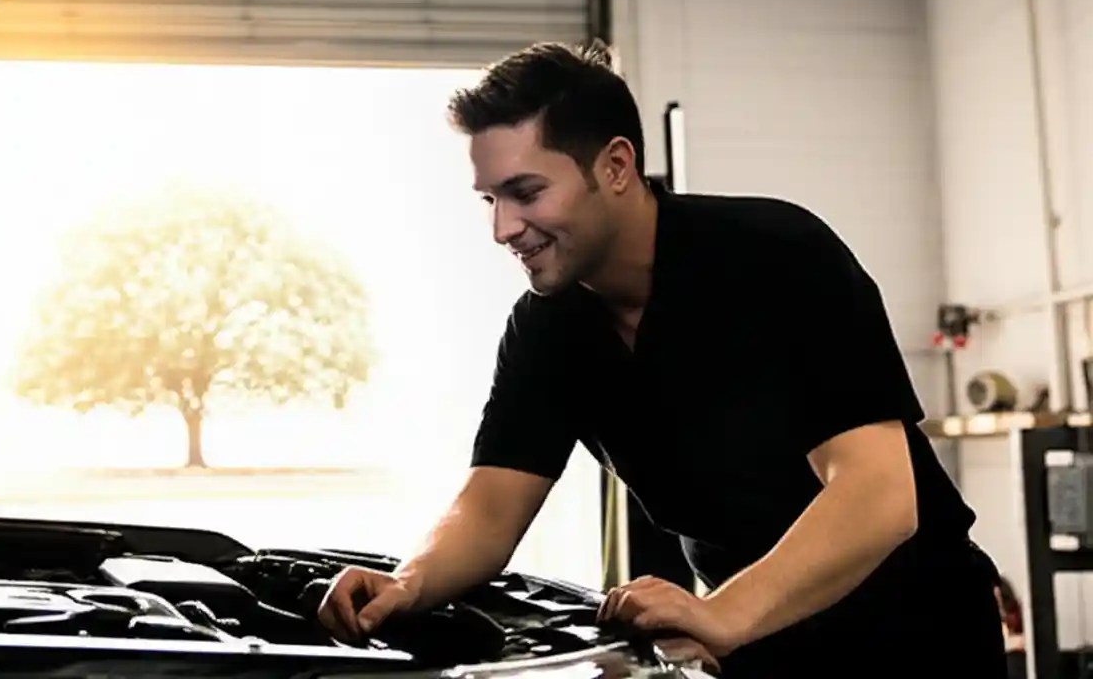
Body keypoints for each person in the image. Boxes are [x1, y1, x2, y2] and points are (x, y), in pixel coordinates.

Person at [316, 40, 1008, 678]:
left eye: (527, 193)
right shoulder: (546, 330)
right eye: (490, 199)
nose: (502, 228)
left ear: (615, 166)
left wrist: (724, 613)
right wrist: (409, 582)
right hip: (752, 644)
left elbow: (880, 498)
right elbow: (493, 507)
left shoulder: (780, 254)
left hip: (916, 633)